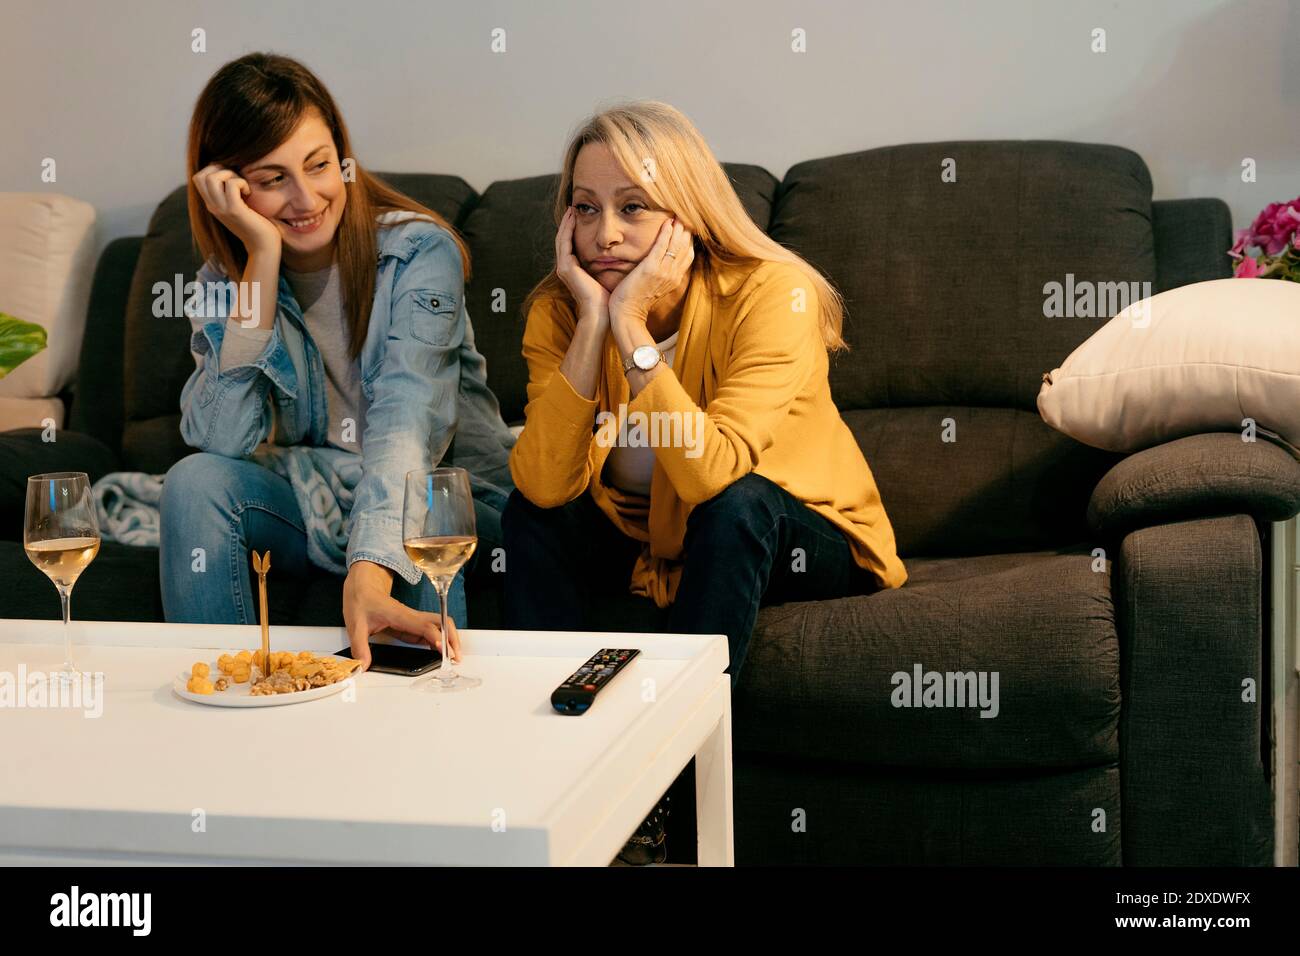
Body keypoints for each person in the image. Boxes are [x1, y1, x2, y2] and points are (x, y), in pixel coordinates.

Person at [505, 99, 908, 685]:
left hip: (794, 532)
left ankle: (682, 751)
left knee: (737, 506)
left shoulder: (773, 294)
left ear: (687, 214)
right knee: (530, 515)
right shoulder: (562, 313)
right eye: (586, 209)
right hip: (650, 536)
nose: (604, 235)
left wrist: (633, 330)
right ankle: (546, 731)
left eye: (633, 206)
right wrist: (594, 325)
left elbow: (708, 476)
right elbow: (543, 486)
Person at [160, 53, 516, 669]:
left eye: (319, 165)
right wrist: (261, 259)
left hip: (439, 493)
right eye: (272, 180)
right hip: (314, 494)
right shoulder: (226, 281)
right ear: (229, 187)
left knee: (424, 510)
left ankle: (435, 734)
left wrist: (370, 572)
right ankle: (228, 717)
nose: (306, 198)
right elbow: (221, 439)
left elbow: (408, 430)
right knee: (193, 483)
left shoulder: (416, 252)